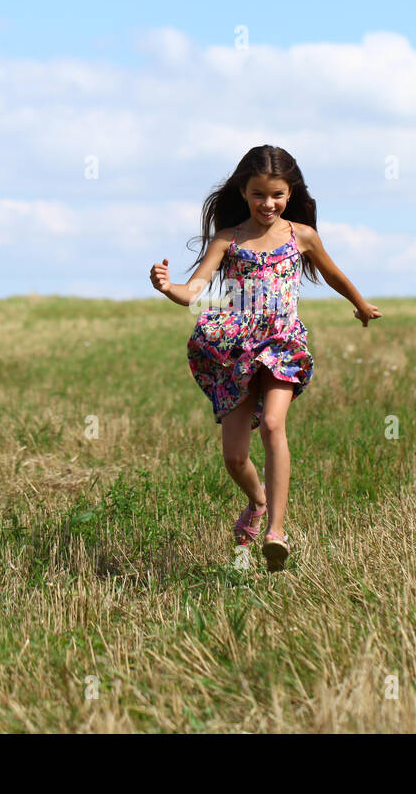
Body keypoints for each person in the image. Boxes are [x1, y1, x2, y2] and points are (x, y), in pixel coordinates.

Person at [148, 145, 381, 572]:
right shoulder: (228, 238)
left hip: (281, 343)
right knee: (234, 457)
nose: (267, 204)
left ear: (290, 194)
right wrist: (168, 288)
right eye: (258, 194)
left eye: (276, 194)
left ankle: (276, 531)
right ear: (243, 191)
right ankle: (256, 503)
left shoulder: (301, 236)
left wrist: (360, 303)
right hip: (233, 347)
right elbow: (193, 290)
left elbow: (331, 273)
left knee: (274, 424)